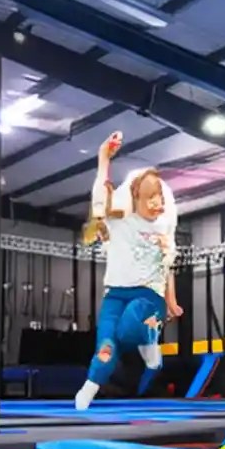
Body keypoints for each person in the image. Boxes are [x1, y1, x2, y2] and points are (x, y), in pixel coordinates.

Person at [74, 131, 184, 410]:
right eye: (151, 198)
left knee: (134, 318)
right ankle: (88, 388)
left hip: (149, 298)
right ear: (135, 199)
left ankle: (149, 345)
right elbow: (100, 195)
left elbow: (166, 266)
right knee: (107, 346)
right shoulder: (119, 222)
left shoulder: (164, 229)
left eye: (159, 197)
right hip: (115, 296)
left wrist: (170, 300)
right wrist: (103, 158)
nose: (157, 203)